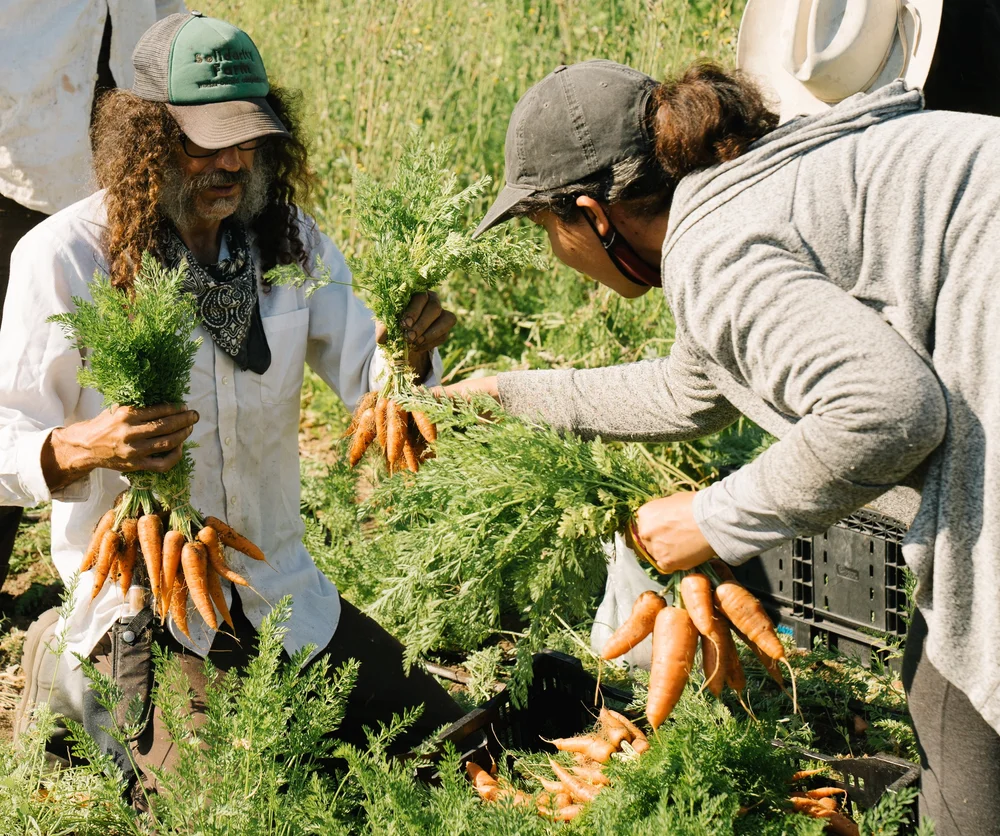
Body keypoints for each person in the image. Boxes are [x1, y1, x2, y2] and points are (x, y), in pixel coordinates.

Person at [449, 41, 1000, 836]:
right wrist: (503, 396)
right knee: (935, 674)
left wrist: (710, 517)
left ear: (592, 214)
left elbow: (888, 411)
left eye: (545, 227)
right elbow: (692, 386)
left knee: (960, 694)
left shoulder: (716, 250)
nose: (555, 253)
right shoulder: (754, 188)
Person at [4, 12, 463, 796]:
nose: (231, 163)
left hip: (282, 590)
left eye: (247, 140)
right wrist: (81, 446)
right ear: (147, 135)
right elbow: (9, 429)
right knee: (229, 799)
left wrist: (408, 356)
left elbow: (374, 382)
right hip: (144, 599)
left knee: (445, 743)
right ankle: (68, 667)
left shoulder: (288, 244)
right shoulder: (65, 256)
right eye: (204, 142)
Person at [0, 0, 187, 591]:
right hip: (18, 152)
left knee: (119, 373)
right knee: (11, 390)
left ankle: (126, 573)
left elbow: (165, 13)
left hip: (126, 151)